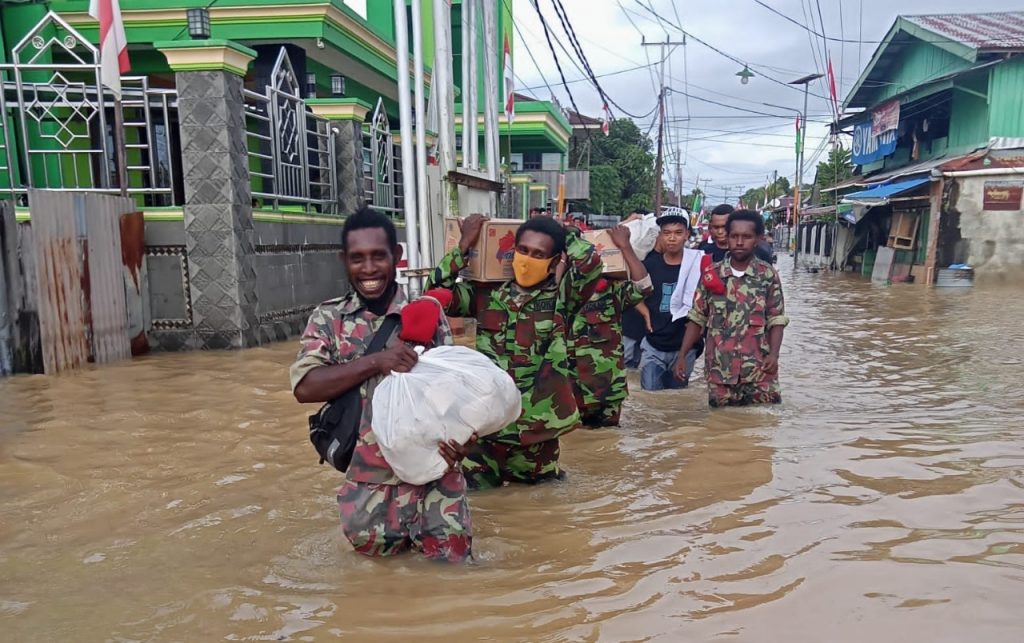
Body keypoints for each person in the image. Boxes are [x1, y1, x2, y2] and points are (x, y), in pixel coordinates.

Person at [290, 206, 472, 562]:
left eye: (378, 256)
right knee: (373, 592)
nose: (369, 268)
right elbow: (305, 388)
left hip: (435, 480)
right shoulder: (329, 319)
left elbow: (454, 393)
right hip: (367, 487)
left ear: (397, 257)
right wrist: (376, 361)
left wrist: (466, 442)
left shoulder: (427, 313)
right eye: (357, 258)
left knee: (454, 582)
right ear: (344, 260)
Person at [428, 214, 602, 489]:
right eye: (522, 250)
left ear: (554, 261)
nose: (527, 259)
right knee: (480, 503)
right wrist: (464, 245)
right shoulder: (486, 295)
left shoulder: (563, 297)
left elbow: (590, 263)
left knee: (539, 508)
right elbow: (435, 296)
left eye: (538, 254)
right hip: (485, 428)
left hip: (535, 432)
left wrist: (564, 232)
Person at [674, 210, 788, 407]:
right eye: (734, 236)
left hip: (760, 373)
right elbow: (697, 317)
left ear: (758, 239)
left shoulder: (767, 275)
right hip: (720, 373)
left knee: (764, 428)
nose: (740, 242)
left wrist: (774, 355)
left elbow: (776, 319)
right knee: (720, 426)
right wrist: (682, 355)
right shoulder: (711, 274)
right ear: (727, 237)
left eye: (747, 237)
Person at [568, 225, 653, 427]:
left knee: (609, 444)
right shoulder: (554, 292)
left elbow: (644, 286)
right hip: (568, 392)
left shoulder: (610, 291)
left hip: (606, 390)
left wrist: (624, 246)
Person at [637, 212, 702, 390]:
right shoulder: (650, 265)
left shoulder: (698, 265)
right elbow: (630, 292)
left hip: (685, 346)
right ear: (660, 235)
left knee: (676, 398)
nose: (672, 238)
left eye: (678, 233)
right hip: (654, 343)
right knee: (650, 393)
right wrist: (645, 314)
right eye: (667, 233)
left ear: (687, 234)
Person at [700, 204, 774, 263]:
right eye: (716, 227)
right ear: (711, 227)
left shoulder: (760, 253)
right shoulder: (702, 251)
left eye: (724, 227)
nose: (720, 232)